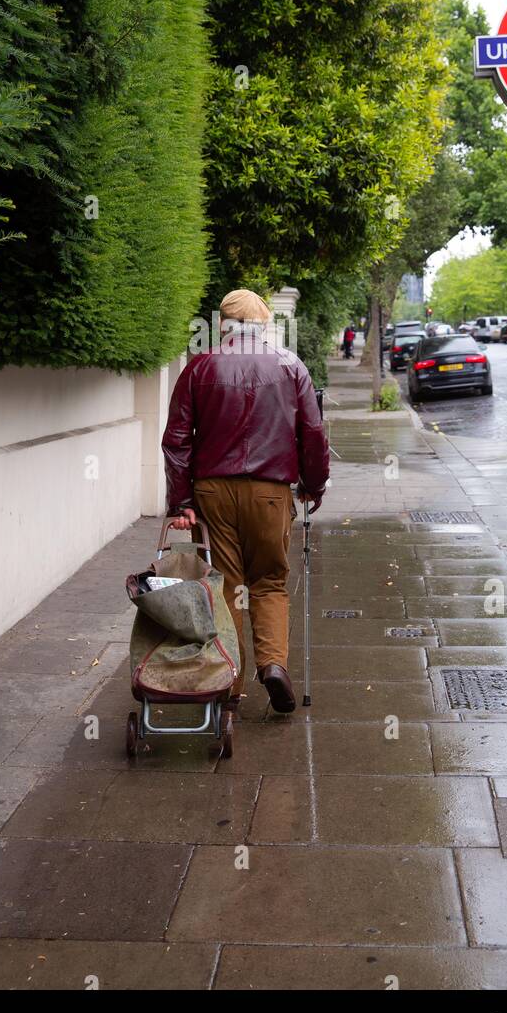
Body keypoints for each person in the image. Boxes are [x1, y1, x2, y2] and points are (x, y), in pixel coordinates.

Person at [162, 289, 330, 713]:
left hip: (213, 491)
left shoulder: (199, 367)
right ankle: (273, 665)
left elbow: (178, 439)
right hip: (271, 492)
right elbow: (312, 432)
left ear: (223, 325)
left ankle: (230, 684)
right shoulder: (291, 367)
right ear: (264, 326)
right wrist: (314, 484)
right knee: (270, 581)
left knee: (229, 585)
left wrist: (181, 501)